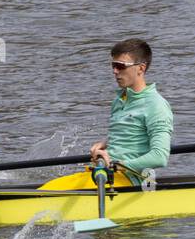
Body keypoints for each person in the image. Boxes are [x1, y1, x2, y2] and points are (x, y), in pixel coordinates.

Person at [40, 39, 173, 190]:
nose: (115, 71)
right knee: (50, 186)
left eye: (120, 66)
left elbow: (159, 157)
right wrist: (105, 143)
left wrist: (117, 165)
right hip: (107, 173)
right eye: (113, 65)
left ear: (141, 68)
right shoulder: (120, 99)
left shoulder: (156, 105)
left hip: (131, 179)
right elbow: (131, 132)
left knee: (51, 190)